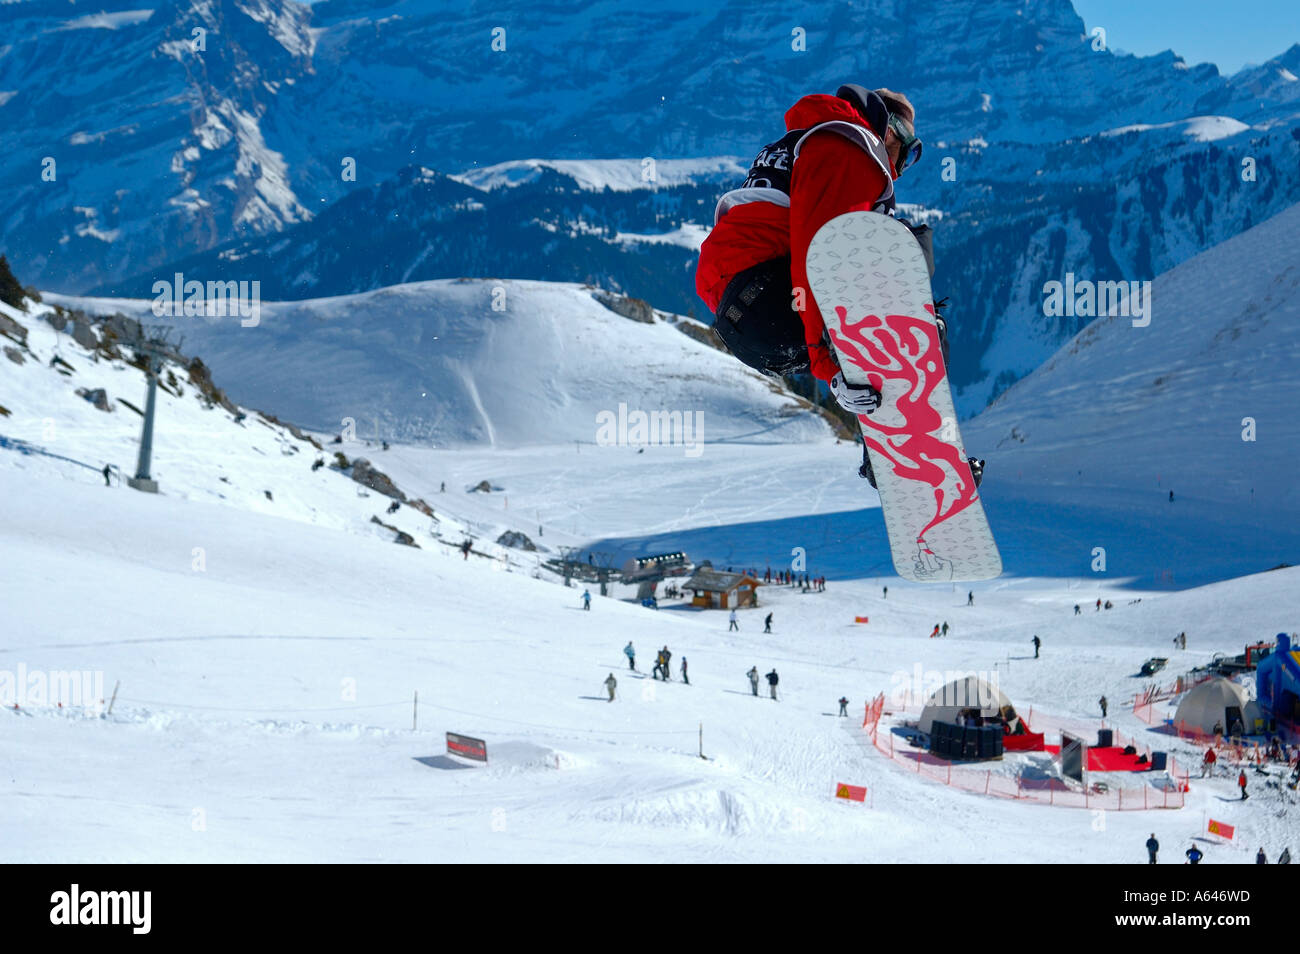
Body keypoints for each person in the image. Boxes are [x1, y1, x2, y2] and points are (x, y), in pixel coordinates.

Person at [694, 85, 981, 484]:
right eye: (907, 151)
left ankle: (895, 443)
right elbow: (818, 251)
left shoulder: (809, 137)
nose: (899, 168)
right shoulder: (852, 145)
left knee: (890, 250)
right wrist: (828, 363)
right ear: (890, 132)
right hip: (768, 294)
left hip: (740, 310)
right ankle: (914, 446)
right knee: (907, 256)